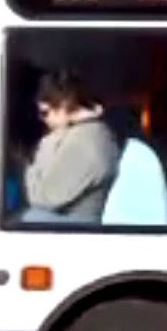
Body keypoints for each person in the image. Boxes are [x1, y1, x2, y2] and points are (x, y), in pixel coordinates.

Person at [21, 70, 120, 223]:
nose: (42, 119)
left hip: (71, 225)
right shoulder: (94, 133)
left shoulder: (84, 142)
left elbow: (42, 197)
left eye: (44, 112)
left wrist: (34, 159)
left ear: (64, 106)